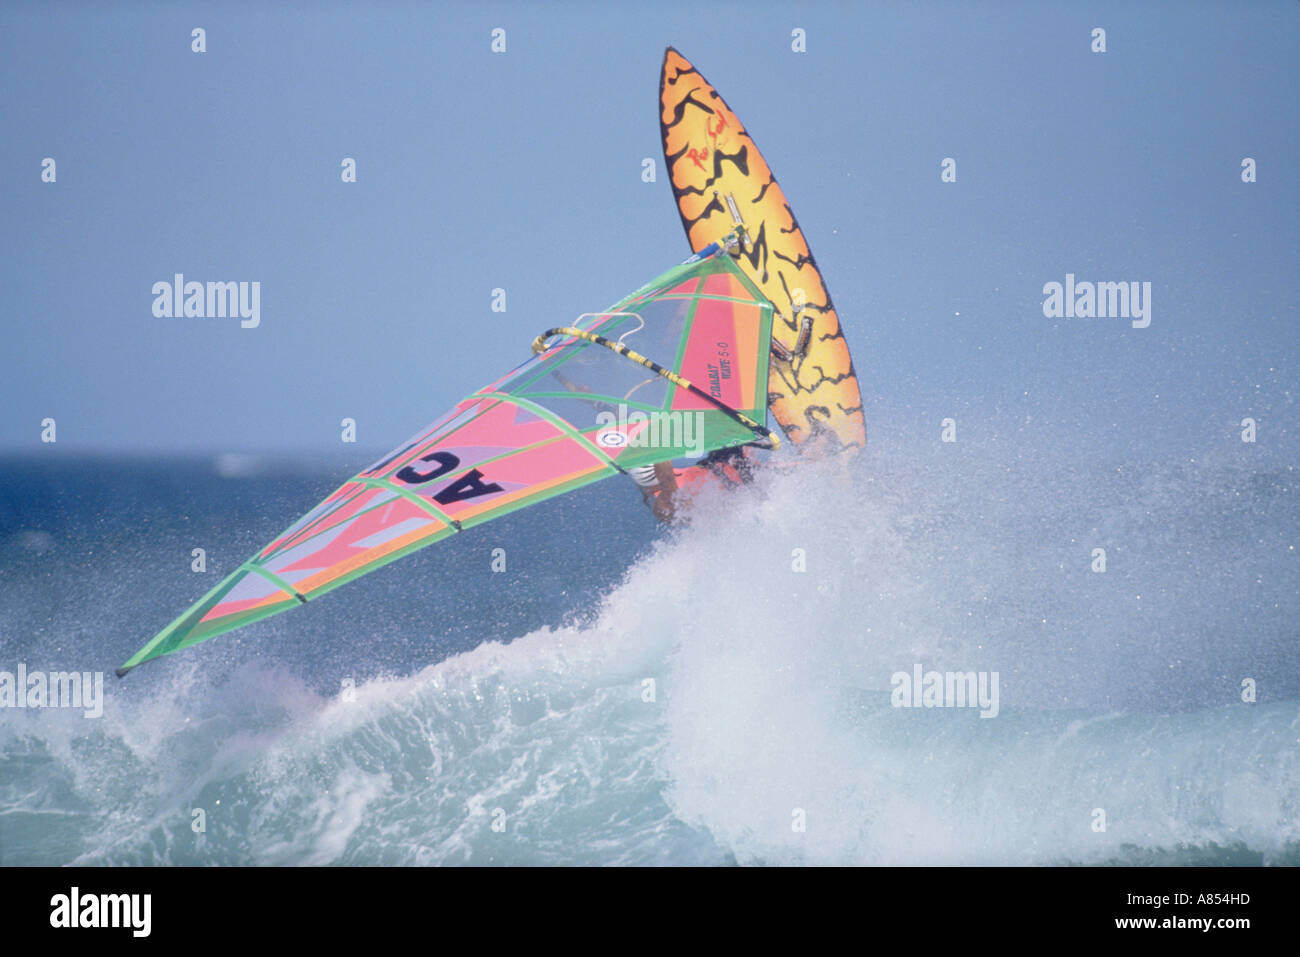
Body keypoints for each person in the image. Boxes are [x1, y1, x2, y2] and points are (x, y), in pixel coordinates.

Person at [629, 445, 757, 523]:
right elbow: (664, 469)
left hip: (721, 468)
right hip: (737, 475)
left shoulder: (654, 492)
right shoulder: (667, 497)